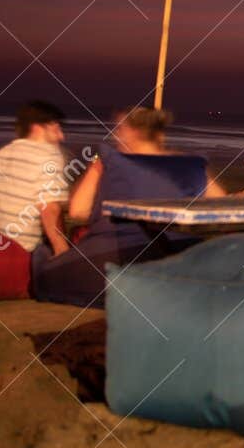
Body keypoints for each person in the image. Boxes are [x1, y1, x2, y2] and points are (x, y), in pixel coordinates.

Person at [31, 106, 224, 307]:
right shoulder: (190, 164)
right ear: (159, 134)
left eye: (118, 129)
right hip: (180, 265)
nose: (115, 135)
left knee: (41, 260)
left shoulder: (109, 161)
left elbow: (78, 211)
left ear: (131, 132)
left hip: (113, 263)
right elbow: (219, 201)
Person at [0, 101, 71, 254]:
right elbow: (49, 208)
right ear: (37, 128)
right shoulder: (48, 154)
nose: (61, 136)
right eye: (56, 128)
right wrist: (62, 252)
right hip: (14, 252)